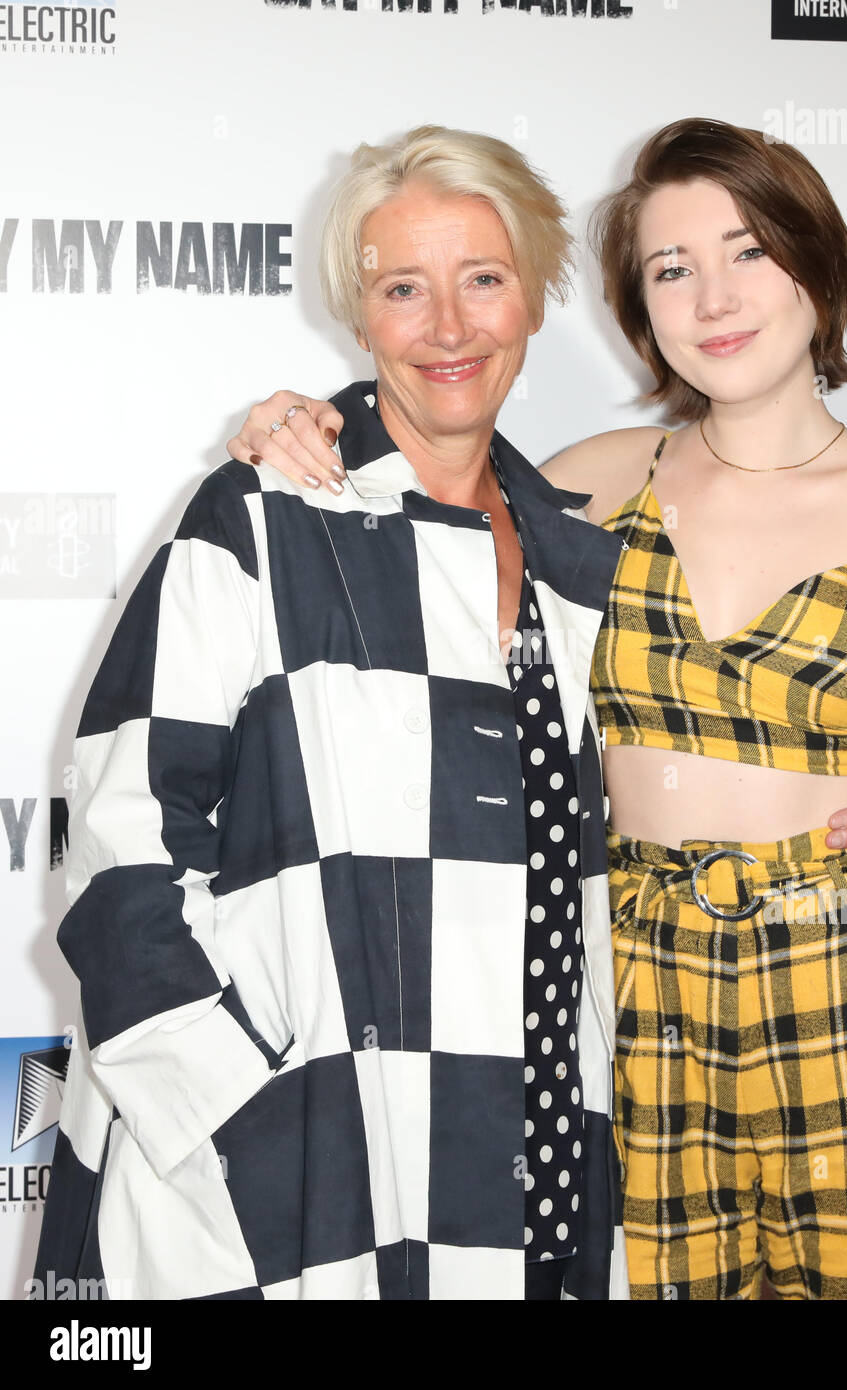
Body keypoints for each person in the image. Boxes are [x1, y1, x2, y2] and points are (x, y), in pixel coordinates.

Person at [222, 124, 847, 1302]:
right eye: (671, 270)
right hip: (642, 984)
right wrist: (297, 421)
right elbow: (418, 463)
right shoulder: (593, 478)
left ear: (817, 271)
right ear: (638, 310)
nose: (713, 298)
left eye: (747, 253)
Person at [33, 127, 636, 1301]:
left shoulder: (583, 562)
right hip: (296, 1169)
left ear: (534, 296)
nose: (448, 326)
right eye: (402, 288)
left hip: (536, 1167)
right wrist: (226, 1102)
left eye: (482, 279)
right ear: (358, 318)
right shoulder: (260, 517)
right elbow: (120, 846)